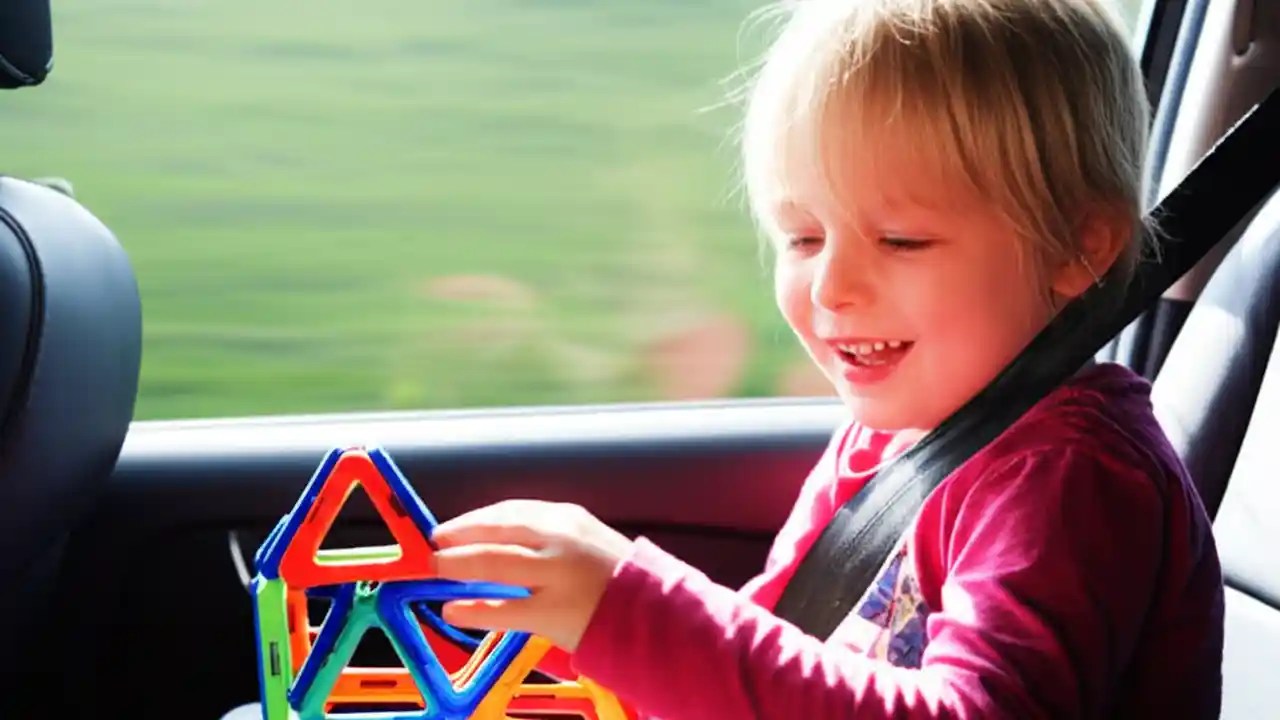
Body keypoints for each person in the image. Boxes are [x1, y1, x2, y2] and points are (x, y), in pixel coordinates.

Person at [427, 0, 1225, 718]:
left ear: (1078, 249)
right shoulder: (889, 441)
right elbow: (775, 664)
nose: (832, 286)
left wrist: (627, 611)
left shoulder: (1070, 478)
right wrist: (559, 632)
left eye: (900, 240)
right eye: (802, 238)